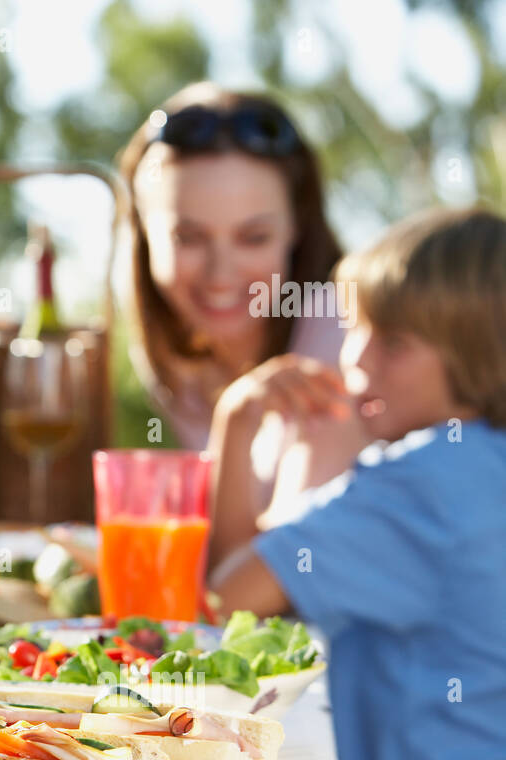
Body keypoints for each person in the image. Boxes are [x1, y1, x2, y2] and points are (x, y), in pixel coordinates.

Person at [210, 207, 506, 760]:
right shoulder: (479, 464)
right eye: (355, 329)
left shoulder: (421, 484)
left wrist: (238, 420)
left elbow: (224, 600)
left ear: (479, 354)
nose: (353, 359)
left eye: (392, 342)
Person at [117, 83, 368, 564]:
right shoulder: (174, 357)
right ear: (143, 234)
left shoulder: (341, 331)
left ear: (297, 226)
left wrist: (234, 418)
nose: (220, 275)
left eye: (253, 237)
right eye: (187, 237)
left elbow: (257, 578)